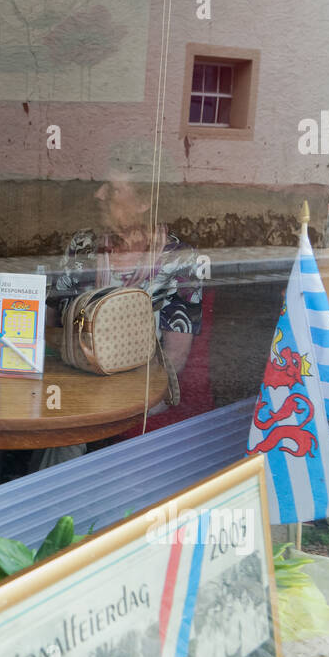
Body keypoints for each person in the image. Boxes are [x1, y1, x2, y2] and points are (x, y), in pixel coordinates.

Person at [31, 166, 204, 469]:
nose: (98, 195)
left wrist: (107, 390)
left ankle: (45, 506)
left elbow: (174, 359)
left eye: (111, 190)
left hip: (141, 384)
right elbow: (49, 324)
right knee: (43, 409)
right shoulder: (83, 245)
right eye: (100, 186)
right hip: (77, 372)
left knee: (70, 425)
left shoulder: (180, 260)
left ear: (143, 202)